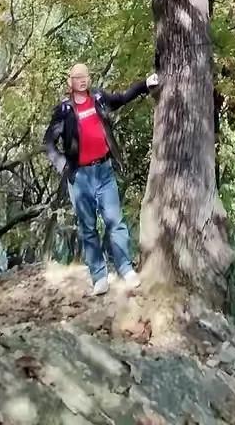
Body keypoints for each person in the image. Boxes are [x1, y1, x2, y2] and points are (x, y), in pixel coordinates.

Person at [43, 62, 159, 295]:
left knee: (115, 221)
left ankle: (125, 269)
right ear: (70, 82)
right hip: (80, 177)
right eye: (77, 77)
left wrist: (144, 85)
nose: (82, 80)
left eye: (85, 76)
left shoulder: (98, 98)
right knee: (87, 228)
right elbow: (48, 143)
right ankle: (99, 277)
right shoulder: (64, 110)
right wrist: (63, 164)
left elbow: (122, 98)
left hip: (104, 170)